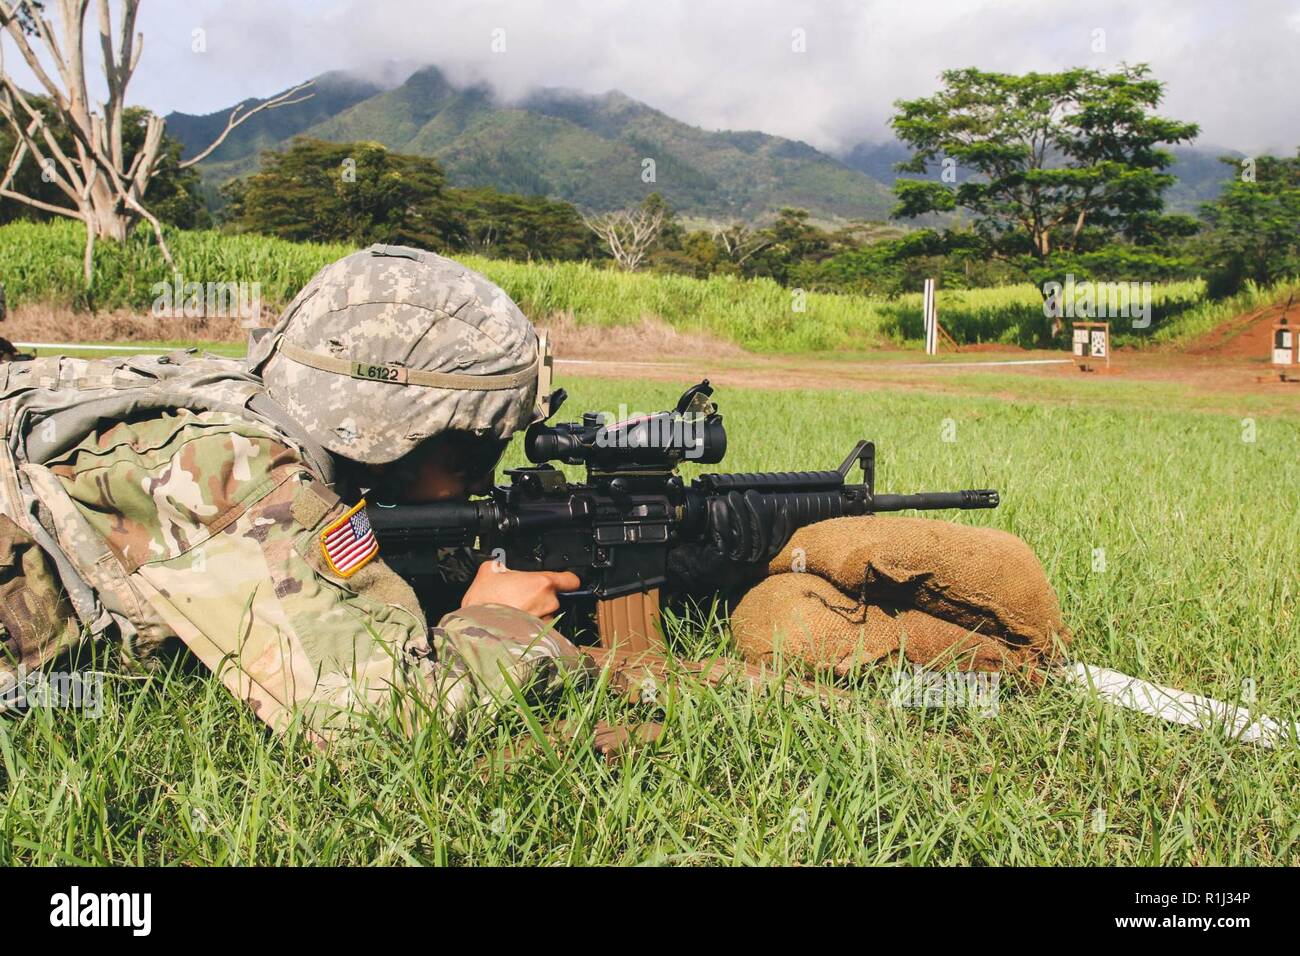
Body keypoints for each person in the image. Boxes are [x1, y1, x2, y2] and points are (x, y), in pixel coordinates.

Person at [0, 244, 592, 743]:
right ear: (393, 426)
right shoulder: (233, 471)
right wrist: (497, 621)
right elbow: (370, 719)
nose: (483, 482)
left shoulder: (257, 414)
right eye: (475, 452)